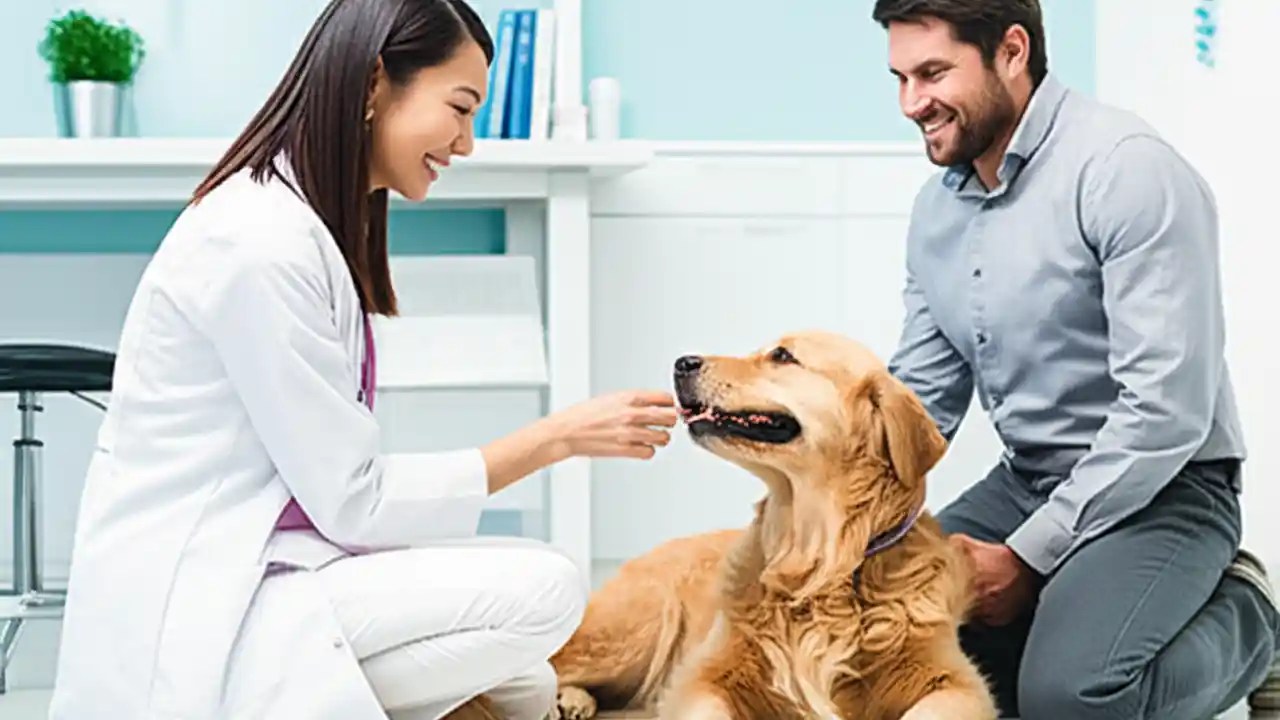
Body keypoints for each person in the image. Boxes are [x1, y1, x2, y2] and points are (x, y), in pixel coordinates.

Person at [47, 1, 679, 719]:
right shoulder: (258, 243)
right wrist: (555, 438)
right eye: (460, 108)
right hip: (207, 599)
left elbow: (343, 498)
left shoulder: (297, 224)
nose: (466, 143)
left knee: (529, 685)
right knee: (549, 590)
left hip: (272, 568)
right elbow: (356, 504)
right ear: (376, 83)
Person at [872, 0, 1280, 718]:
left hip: (1168, 487)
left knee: (1072, 698)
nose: (913, 103)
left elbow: (1165, 412)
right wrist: (829, 508)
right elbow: (920, 401)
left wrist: (1029, 559)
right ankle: (1066, 625)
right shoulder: (937, 212)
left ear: (1012, 50)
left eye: (933, 73)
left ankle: (1254, 625)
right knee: (877, 646)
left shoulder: (1126, 170)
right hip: (1028, 480)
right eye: (901, 78)